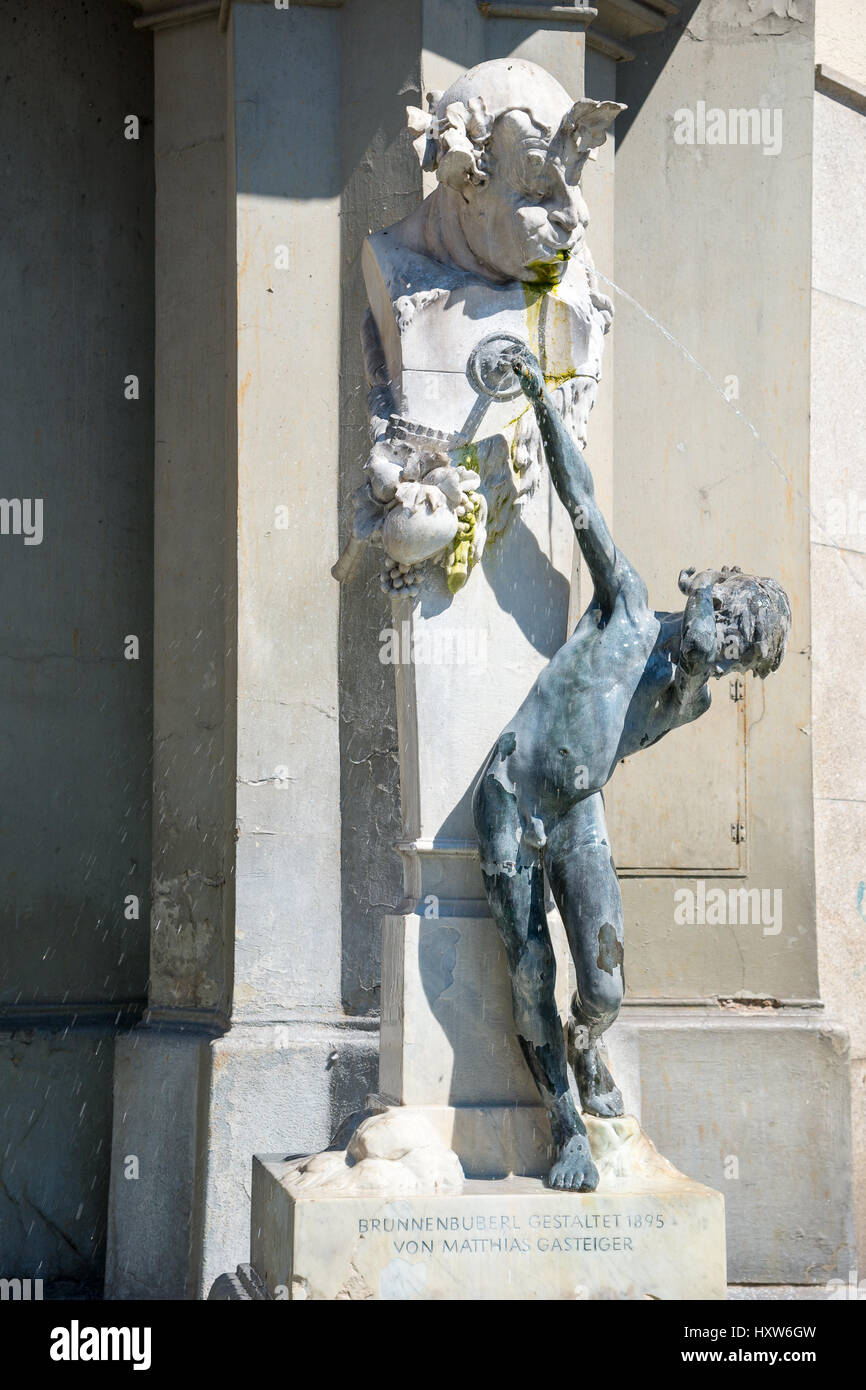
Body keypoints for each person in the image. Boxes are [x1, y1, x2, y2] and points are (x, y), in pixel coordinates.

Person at [472, 346, 792, 1192]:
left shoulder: (686, 702)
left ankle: (586, 1042)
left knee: (607, 988)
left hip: (579, 818)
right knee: (531, 967)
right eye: (724, 619)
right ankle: (565, 1128)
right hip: (511, 797)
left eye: (733, 652)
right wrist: (541, 393)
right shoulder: (626, 608)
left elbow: (625, 732)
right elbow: (581, 502)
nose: (719, 644)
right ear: (702, 590)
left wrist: (691, 676)